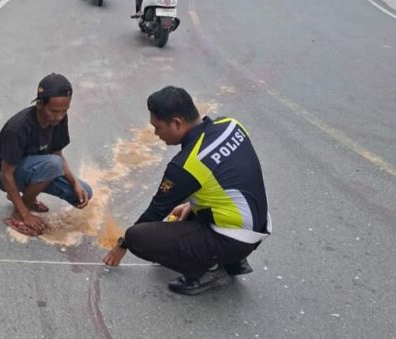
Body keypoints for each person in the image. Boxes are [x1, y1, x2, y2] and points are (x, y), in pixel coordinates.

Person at [102, 87, 271, 295]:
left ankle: (209, 270)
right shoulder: (231, 125)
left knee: (139, 237)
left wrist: (123, 245)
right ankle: (232, 259)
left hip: (234, 237)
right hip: (257, 224)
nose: (156, 134)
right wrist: (193, 205)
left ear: (177, 123)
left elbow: (154, 212)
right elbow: (231, 176)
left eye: (158, 127)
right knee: (177, 217)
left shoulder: (186, 165)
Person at [0, 74, 94, 237]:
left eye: (65, 111)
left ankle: (24, 198)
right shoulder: (18, 128)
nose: (59, 116)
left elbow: (57, 152)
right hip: (3, 176)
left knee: (84, 192)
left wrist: (75, 183)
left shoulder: (59, 120)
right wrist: (25, 214)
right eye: (54, 111)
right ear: (39, 104)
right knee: (53, 164)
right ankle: (19, 211)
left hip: (38, 169)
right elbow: (6, 174)